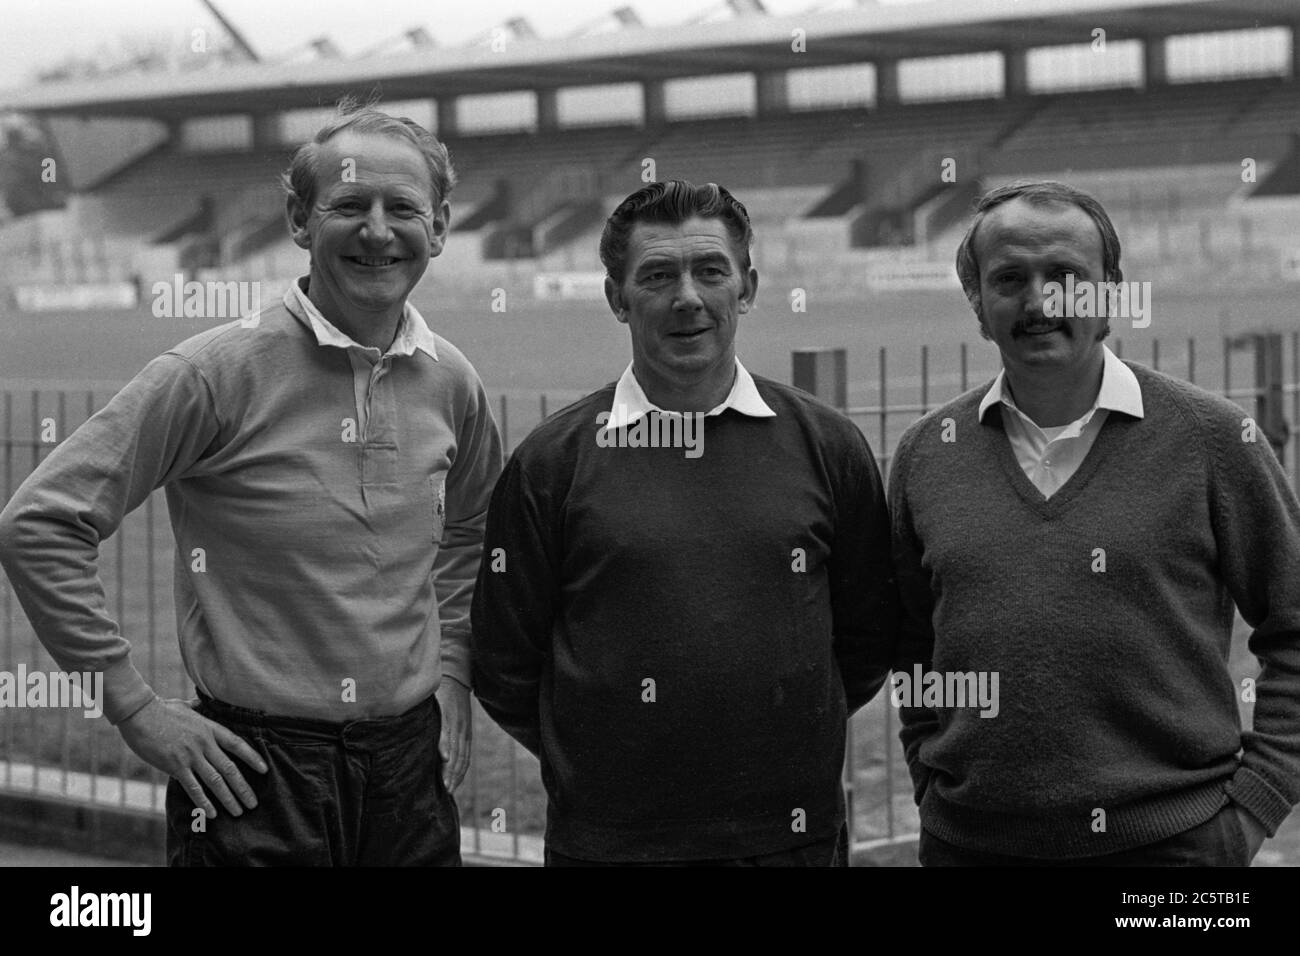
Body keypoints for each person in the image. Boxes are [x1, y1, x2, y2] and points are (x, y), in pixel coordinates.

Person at [0, 101, 503, 866]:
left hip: (407, 769)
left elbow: (470, 527)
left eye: (402, 208)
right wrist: (133, 707)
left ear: (437, 227)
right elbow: (39, 522)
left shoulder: (453, 380)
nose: (376, 230)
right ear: (301, 221)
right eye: (348, 205)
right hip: (256, 775)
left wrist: (454, 670)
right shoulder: (214, 373)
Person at [470, 180, 896, 866]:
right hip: (610, 845)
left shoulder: (828, 446)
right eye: (658, 276)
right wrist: (600, 760)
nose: (687, 297)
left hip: (789, 841)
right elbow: (504, 662)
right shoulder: (553, 463)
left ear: (747, 286)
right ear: (617, 298)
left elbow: (867, 639)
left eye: (710, 271)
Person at [890, 179, 1300, 865]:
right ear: (979, 305)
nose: (1039, 301)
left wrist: (1253, 807)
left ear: (1111, 294)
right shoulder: (928, 455)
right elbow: (908, 644)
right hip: (971, 847)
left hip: (1175, 852)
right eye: (1010, 278)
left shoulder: (1216, 440)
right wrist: (933, 781)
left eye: (1066, 276)